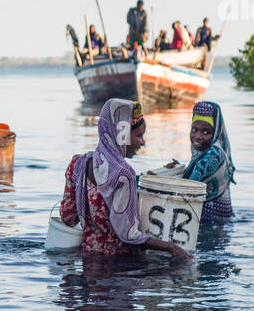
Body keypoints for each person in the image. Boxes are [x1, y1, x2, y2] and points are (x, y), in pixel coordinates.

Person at [60, 99, 190, 259]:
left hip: (89, 258)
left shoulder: (78, 164)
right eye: (139, 135)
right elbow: (130, 235)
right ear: (122, 134)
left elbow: (68, 218)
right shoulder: (124, 175)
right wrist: (172, 248)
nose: (143, 142)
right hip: (121, 265)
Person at [165, 101, 234, 220]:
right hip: (220, 221)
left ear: (216, 132)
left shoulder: (214, 154)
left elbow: (188, 187)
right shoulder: (217, 149)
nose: (197, 136)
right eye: (194, 129)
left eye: (206, 132)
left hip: (211, 224)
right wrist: (179, 169)